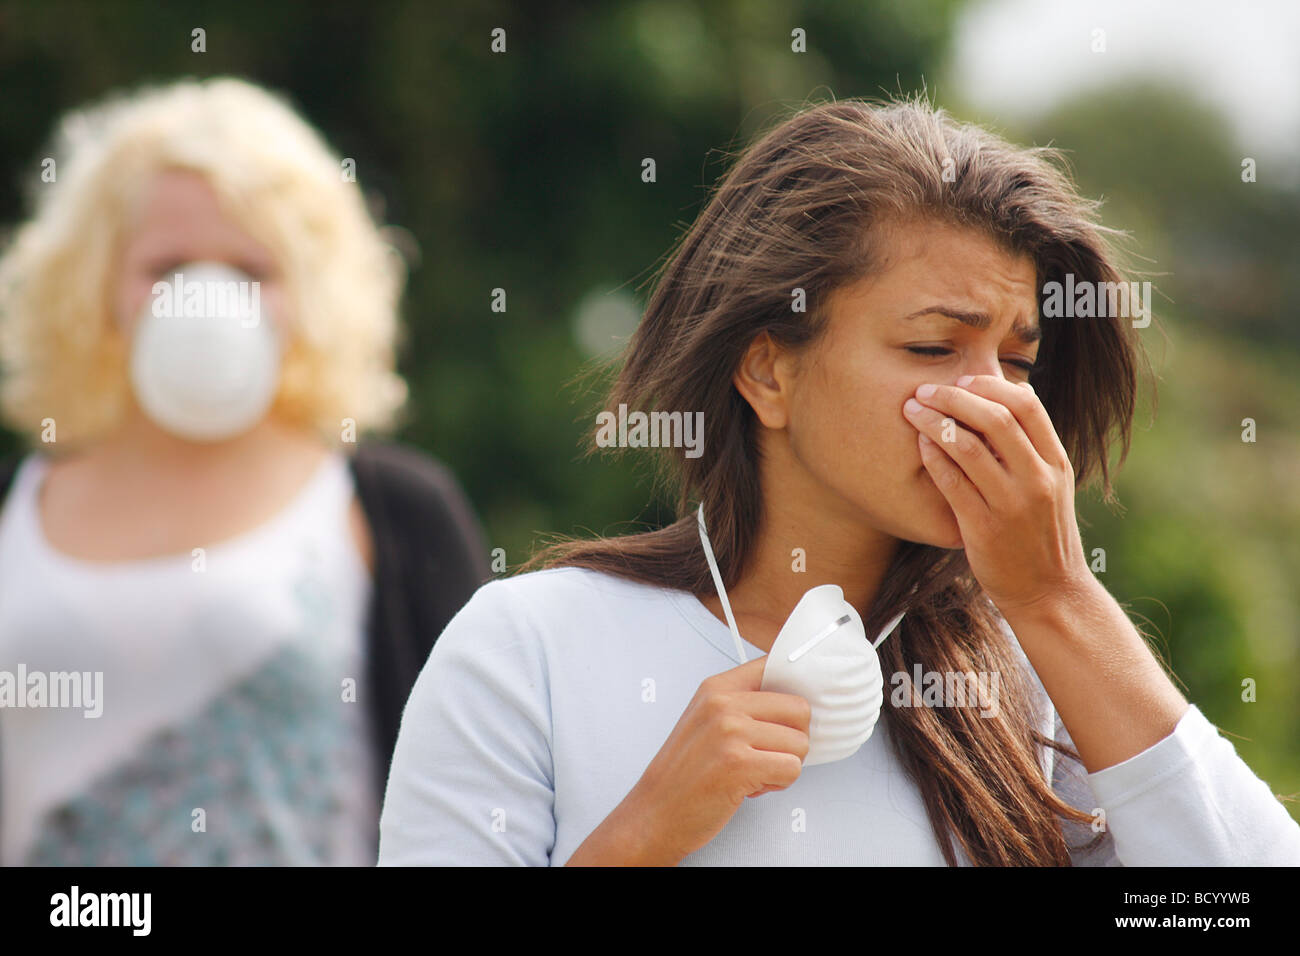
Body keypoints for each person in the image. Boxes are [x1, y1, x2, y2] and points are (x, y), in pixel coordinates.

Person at [376, 95, 1300, 866]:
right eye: (934, 346)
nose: (995, 403)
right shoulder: (528, 650)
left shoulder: (1025, 681)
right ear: (769, 373)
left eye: (1018, 363)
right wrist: (648, 830)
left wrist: (1057, 596)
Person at [0, 77, 489, 865]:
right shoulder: (16, 511)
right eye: (167, 267)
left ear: (310, 293)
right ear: (95, 288)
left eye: (249, 269)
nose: (204, 298)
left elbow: (488, 797)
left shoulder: (395, 512)